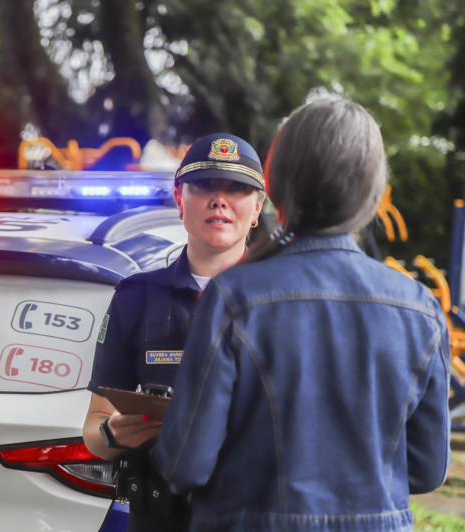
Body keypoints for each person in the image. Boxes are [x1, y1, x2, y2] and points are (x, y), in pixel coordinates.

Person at [153, 96, 451, 532]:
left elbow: (185, 466)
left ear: (274, 187)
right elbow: (427, 470)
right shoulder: (420, 308)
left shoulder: (234, 296)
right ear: (373, 191)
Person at [82, 133, 266, 531]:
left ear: (258, 207)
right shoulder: (136, 297)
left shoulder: (284, 299)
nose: (219, 200)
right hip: (160, 518)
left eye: (237, 188)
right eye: (204, 186)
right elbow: (94, 431)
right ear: (180, 199)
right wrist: (114, 434)